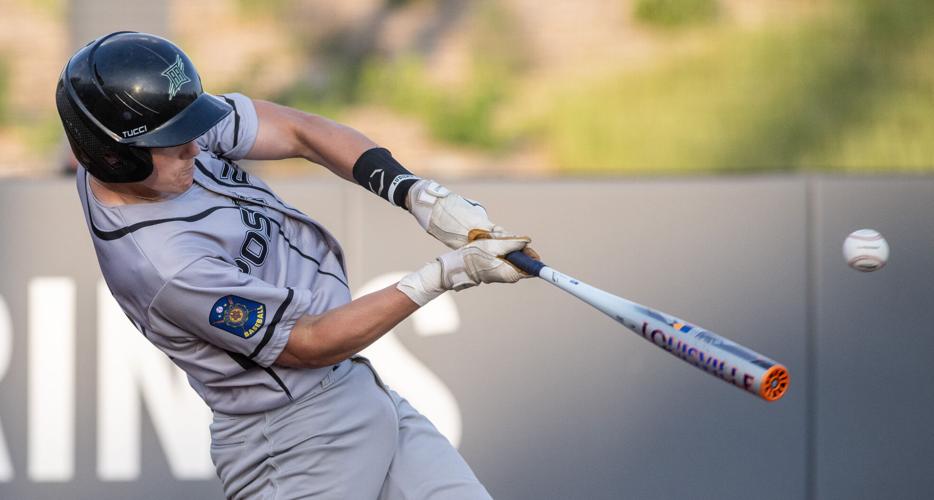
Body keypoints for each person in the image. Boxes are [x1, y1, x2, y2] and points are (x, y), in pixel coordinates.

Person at [56, 31, 535, 499]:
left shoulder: (147, 142)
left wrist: (414, 193)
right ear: (116, 159)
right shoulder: (163, 265)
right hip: (293, 441)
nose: (195, 148)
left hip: (355, 392)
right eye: (174, 142)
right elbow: (308, 343)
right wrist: (447, 274)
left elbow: (298, 131)